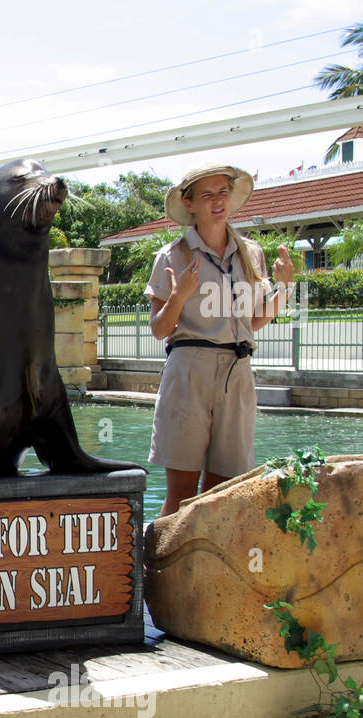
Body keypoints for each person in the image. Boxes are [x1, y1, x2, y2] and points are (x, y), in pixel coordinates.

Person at [146, 162, 296, 517]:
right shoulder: (172, 256)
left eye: (223, 193)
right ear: (190, 203)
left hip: (238, 371)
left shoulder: (252, 254)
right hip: (189, 371)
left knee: (223, 493)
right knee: (181, 493)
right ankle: (163, 569)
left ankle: (207, 570)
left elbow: (252, 321)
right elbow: (159, 329)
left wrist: (286, 287)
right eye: (208, 194)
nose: (218, 201)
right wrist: (179, 296)